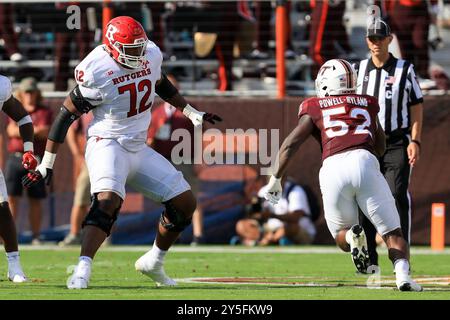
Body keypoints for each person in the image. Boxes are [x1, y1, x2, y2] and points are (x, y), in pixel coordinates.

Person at [22, 16, 221, 289]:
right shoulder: (96, 69)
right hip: (108, 143)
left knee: (185, 203)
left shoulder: (149, 53)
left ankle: (154, 261)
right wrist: (47, 163)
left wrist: (189, 110)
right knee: (107, 202)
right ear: (113, 47)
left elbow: (160, 83)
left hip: (139, 145)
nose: (138, 54)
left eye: (141, 47)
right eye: (131, 50)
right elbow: (65, 115)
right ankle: (82, 268)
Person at [263, 58, 422, 291]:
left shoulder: (315, 106)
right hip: (365, 160)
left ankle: (351, 238)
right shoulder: (367, 102)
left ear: (325, 83)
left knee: (341, 234)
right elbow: (380, 146)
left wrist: (275, 179)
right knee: (391, 231)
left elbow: (290, 144)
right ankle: (403, 276)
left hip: (332, 166)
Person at [355, 19, 423, 267]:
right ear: (367, 41)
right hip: (367, 144)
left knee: (395, 195)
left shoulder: (404, 69)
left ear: (389, 39)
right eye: (371, 39)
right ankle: (369, 259)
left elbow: (417, 106)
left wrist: (415, 140)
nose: (375, 43)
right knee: (363, 199)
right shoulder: (359, 70)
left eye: (379, 38)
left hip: (396, 141)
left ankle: (401, 258)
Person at [146, 74, 204, 246]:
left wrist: (201, 159)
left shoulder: (189, 109)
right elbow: (150, 139)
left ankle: (198, 235)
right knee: (169, 200)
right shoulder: (157, 113)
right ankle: (173, 235)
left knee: (192, 197)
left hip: (185, 158)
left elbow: (201, 134)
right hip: (164, 160)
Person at [5, 77, 53, 245]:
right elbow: (11, 130)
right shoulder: (14, 107)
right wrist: (32, 130)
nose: (30, 95)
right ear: (21, 93)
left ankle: (36, 235)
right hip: (16, 157)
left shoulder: (44, 111)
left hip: (35, 159)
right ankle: (8, 235)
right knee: (10, 199)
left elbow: (45, 132)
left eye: (32, 92)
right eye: (27, 92)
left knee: (35, 199)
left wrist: (26, 130)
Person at [0, 74, 38, 282]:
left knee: (2, 207)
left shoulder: (1, 86)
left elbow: (23, 117)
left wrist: (28, 149)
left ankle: (14, 265)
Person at [235, 177, 316, 246]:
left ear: (284, 179)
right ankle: (264, 239)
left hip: (297, 230)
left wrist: (272, 215)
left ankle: (267, 241)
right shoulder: (263, 192)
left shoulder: (295, 191)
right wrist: (256, 211)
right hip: (271, 229)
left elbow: (295, 218)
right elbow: (256, 216)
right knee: (241, 225)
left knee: (290, 227)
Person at [58, 113, 93, 246]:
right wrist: (77, 155)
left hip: (112, 157)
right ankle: (75, 234)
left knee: (109, 197)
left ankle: (106, 236)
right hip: (90, 159)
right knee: (81, 197)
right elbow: (71, 130)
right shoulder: (86, 105)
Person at [308, 0, 356, 76]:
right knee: (318, 50)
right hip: (324, 3)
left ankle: (329, 75)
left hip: (336, 4)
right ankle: (323, 76)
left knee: (328, 46)